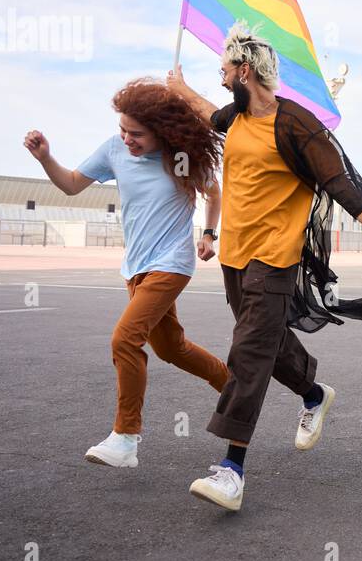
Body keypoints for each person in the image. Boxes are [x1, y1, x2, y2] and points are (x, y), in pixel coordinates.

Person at [166, 22, 362, 511]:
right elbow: (207, 112)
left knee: (248, 350)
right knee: (268, 342)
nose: (220, 79)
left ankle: (231, 468)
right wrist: (179, 89)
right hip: (235, 255)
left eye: (224, 70)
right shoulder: (235, 118)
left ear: (246, 70)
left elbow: (338, 181)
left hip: (276, 257)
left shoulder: (294, 123)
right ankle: (315, 393)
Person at [23, 80, 229, 468]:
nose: (128, 139)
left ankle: (125, 438)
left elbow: (214, 193)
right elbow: (70, 185)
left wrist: (207, 233)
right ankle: (233, 386)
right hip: (135, 266)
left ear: (162, 132)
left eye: (137, 134)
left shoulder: (181, 157)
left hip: (171, 264)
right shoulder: (114, 149)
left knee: (124, 340)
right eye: (123, 130)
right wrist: (45, 158)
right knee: (171, 348)